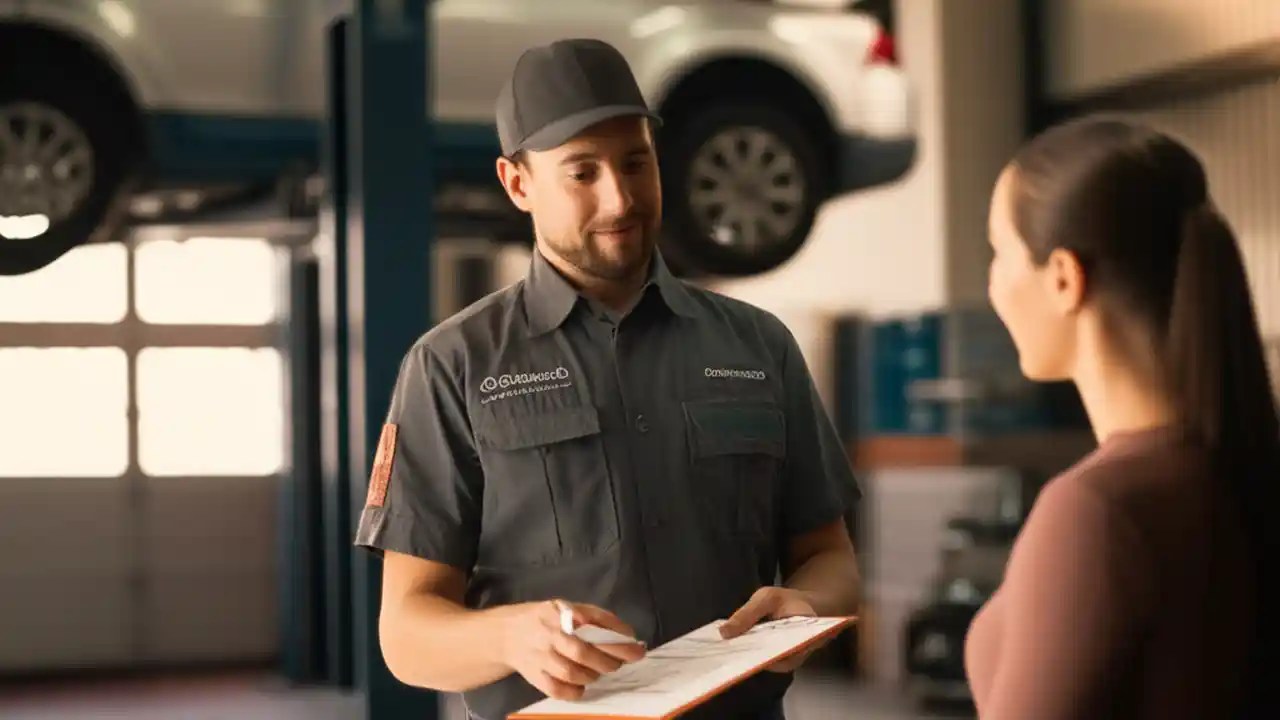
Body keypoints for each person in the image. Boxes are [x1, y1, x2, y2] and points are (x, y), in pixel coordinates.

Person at [353, 38, 862, 720]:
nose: (620, 198)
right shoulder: (452, 366)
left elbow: (832, 558)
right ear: (518, 183)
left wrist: (807, 606)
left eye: (635, 161)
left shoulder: (759, 345)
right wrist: (510, 637)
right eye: (582, 173)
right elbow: (406, 634)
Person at [968, 115, 1278, 719]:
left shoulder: (1096, 512)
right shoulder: (1226, 465)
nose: (992, 283)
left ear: (1063, 279)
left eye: (999, 253)